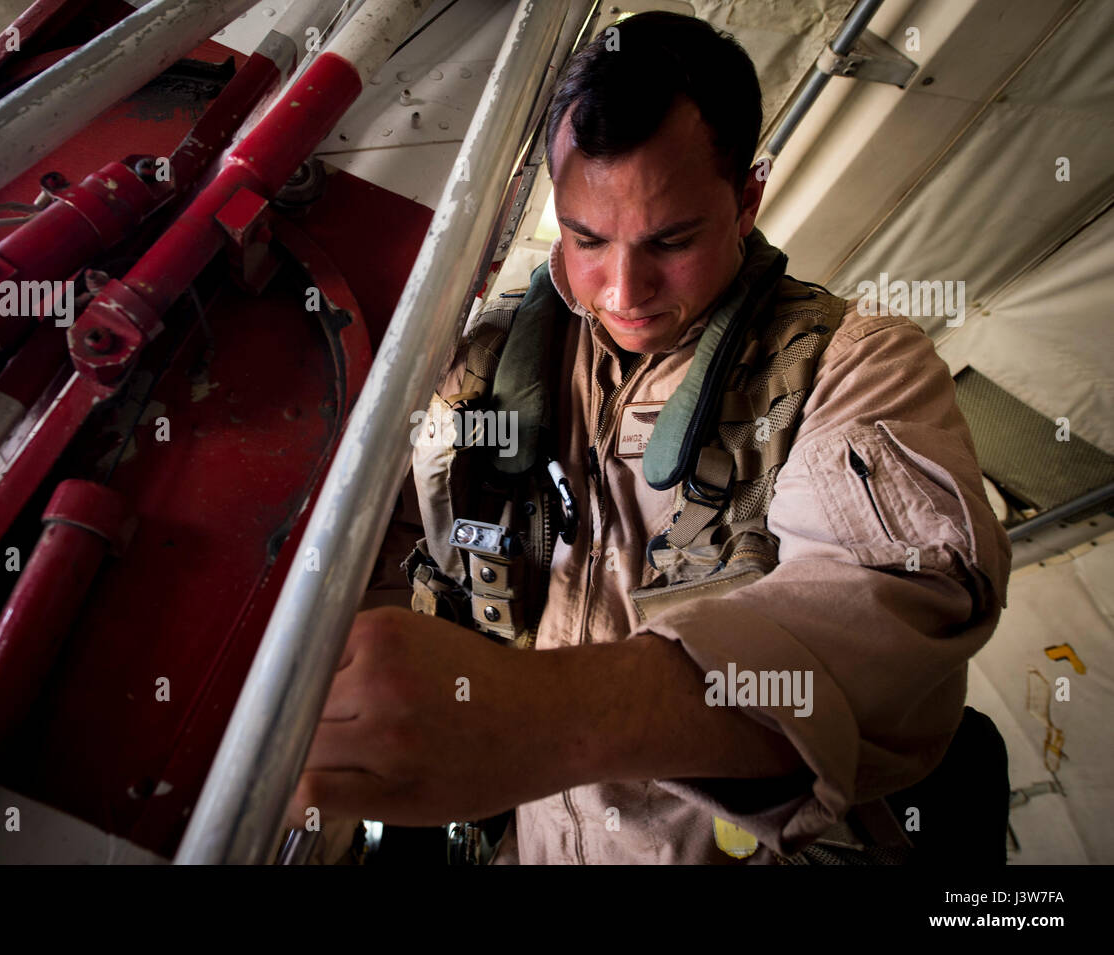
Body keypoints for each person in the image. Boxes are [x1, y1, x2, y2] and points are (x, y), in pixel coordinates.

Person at [285, 11, 1011, 864]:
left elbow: (894, 609)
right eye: (587, 238)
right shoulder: (486, 362)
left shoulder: (854, 366)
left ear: (746, 201)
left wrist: (547, 713)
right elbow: (380, 554)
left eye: (671, 240)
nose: (624, 290)